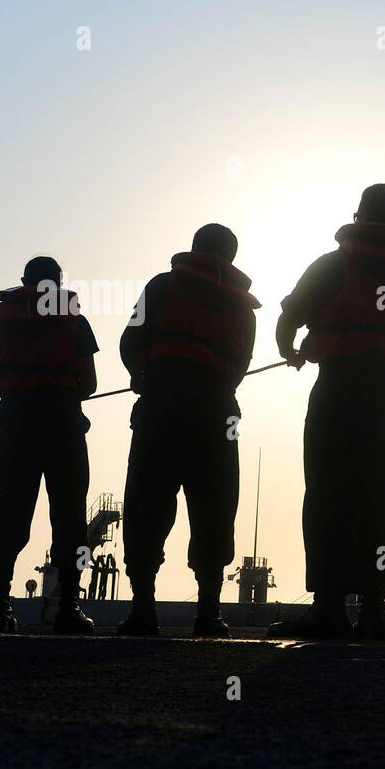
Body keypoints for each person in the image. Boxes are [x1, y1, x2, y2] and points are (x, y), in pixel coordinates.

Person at [270, 184, 385, 640]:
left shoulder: (335, 263)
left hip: (340, 389)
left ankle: (328, 607)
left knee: (328, 493)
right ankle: (375, 609)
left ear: (362, 213)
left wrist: (290, 350)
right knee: (383, 496)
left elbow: (288, 317)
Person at [117, 224, 259, 637]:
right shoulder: (244, 309)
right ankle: (209, 614)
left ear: (194, 248)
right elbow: (241, 365)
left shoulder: (161, 287)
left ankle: (143, 609)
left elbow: (130, 339)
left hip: (161, 410)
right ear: (231, 257)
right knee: (215, 509)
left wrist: (140, 375)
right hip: (217, 417)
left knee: (146, 505)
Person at [0, 256, 98, 634]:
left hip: (16, 426)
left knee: (10, 514)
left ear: (24, 281)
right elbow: (90, 385)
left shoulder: (4, 317)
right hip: (64, 427)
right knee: (69, 518)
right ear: (59, 283)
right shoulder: (75, 320)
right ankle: (69, 608)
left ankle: (0, 607)